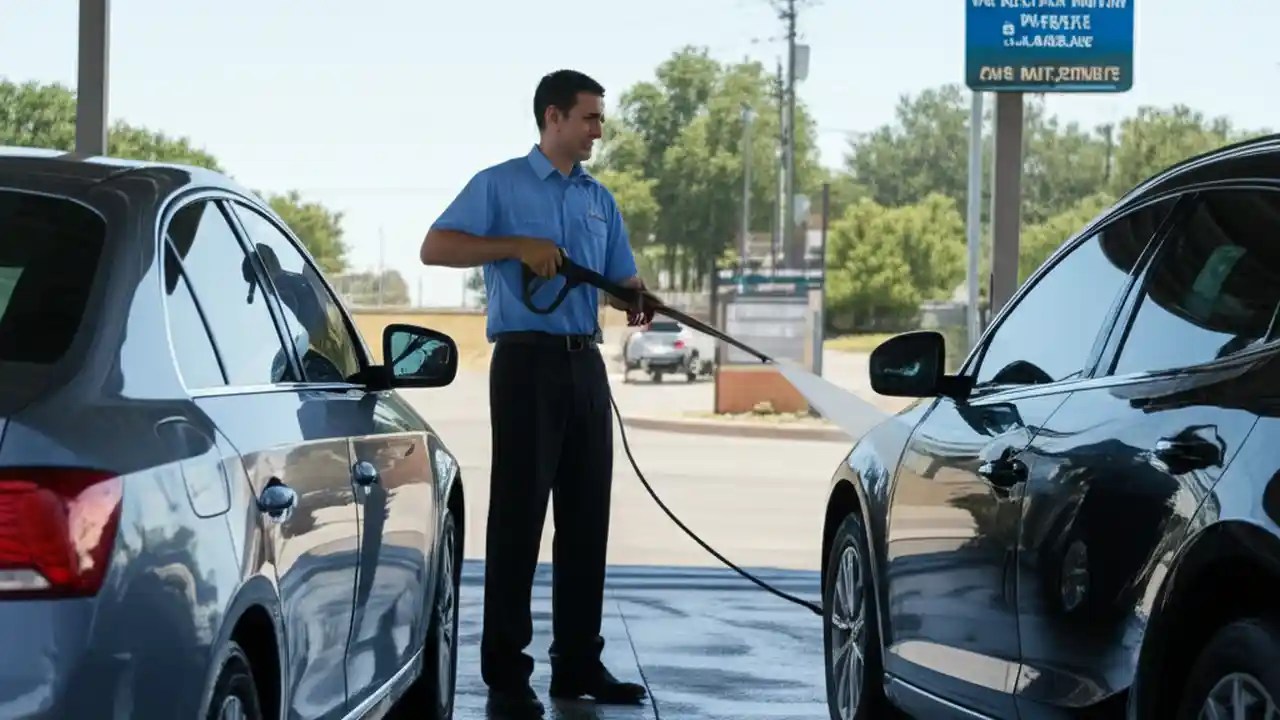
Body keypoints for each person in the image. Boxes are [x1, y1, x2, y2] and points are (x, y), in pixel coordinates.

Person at [420, 69, 655, 718]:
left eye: (600, 118)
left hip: (586, 366)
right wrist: (516, 246)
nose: (598, 130)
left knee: (586, 520)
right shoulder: (499, 185)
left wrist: (635, 296)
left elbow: (620, 276)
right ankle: (506, 673)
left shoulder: (599, 200)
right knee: (518, 519)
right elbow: (435, 247)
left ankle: (577, 665)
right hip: (526, 364)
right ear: (553, 117)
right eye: (589, 117)